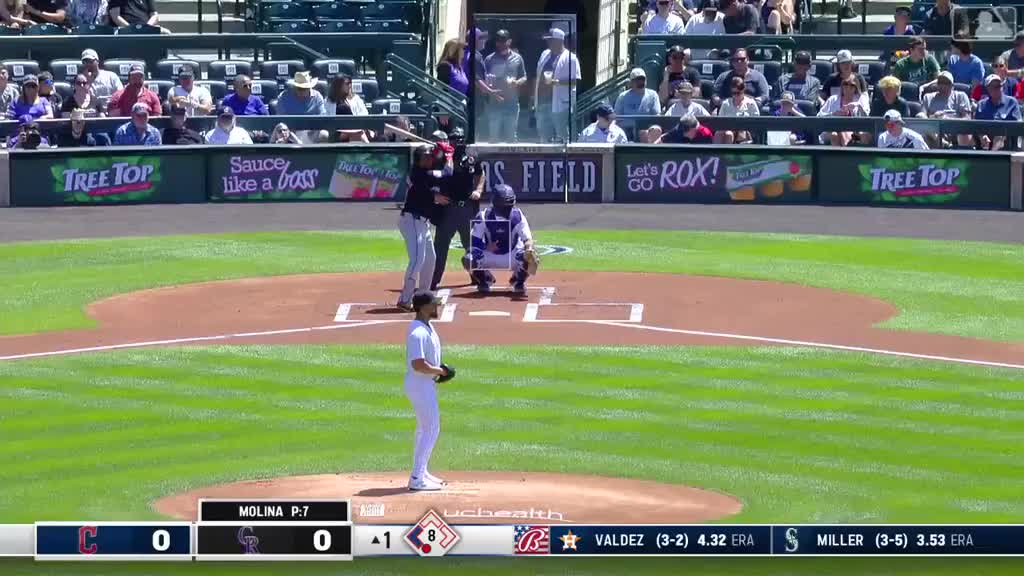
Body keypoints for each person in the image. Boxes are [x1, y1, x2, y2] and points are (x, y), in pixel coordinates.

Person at [403, 290, 452, 492]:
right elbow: (418, 364)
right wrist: (440, 370)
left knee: (424, 429)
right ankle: (416, 478)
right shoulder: (418, 333)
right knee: (431, 428)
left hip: (424, 383)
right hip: (419, 383)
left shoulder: (426, 327)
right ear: (424, 307)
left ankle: (421, 472)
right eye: (434, 304)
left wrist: (438, 370)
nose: (437, 307)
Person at [397, 144, 451, 310]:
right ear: (418, 160)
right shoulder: (419, 173)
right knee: (417, 260)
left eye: (430, 156)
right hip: (412, 221)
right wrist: (448, 155)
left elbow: (443, 175)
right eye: (426, 157)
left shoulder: (427, 172)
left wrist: (441, 151)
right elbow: (447, 173)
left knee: (430, 260)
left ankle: (424, 297)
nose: (429, 159)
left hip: (422, 222)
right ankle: (405, 299)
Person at [431, 130, 483, 291]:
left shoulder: (471, 159)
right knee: (440, 248)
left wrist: (479, 190)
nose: (457, 143)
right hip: (447, 209)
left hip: (467, 209)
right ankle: (433, 281)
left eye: (459, 140)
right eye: (453, 140)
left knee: (472, 247)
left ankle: (478, 277)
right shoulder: (440, 159)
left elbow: (481, 174)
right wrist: (436, 195)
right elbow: (430, 178)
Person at [465, 184, 537, 295]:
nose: (507, 209)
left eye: (509, 205)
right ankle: (485, 279)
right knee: (468, 258)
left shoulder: (518, 216)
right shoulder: (484, 216)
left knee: (530, 257)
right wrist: (485, 247)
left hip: (513, 254)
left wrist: (529, 249)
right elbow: (474, 241)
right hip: (490, 254)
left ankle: (518, 280)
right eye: (505, 206)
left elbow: (528, 239)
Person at [533, 27, 580, 143]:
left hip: (560, 104)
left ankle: (564, 159)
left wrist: (556, 82)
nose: (548, 42)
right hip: (542, 101)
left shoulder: (571, 58)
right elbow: (538, 76)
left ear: (559, 41)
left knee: (562, 135)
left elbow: (576, 80)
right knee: (544, 135)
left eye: (550, 40)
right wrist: (533, 97)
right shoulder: (545, 54)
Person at [483, 29, 527, 142]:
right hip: (494, 102)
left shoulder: (518, 58)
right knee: (493, 137)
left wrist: (517, 83)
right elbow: (482, 80)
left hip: (512, 102)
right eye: (498, 41)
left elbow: (524, 77)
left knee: (511, 137)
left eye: (503, 41)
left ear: (509, 41)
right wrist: (488, 82)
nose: (500, 44)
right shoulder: (489, 59)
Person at [921, 72, 973, 147]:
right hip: (934, 131)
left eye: (946, 83)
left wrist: (947, 119)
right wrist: (934, 117)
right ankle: (944, 144)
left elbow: (967, 119)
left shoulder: (961, 96)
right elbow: (922, 120)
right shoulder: (928, 97)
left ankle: (963, 156)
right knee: (920, 116)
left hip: (955, 130)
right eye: (940, 83)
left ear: (952, 85)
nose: (942, 85)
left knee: (965, 131)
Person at [818, 77, 869, 147]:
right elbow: (819, 116)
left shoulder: (861, 99)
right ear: (842, 87)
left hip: (854, 130)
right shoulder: (833, 99)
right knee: (834, 134)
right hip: (831, 129)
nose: (848, 87)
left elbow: (867, 118)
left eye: (852, 85)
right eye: (845, 84)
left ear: (856, 88)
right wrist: (834, 114)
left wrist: (859, 107)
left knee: (860, 135)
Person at [976, 74, 1020, 150]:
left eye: (998, 86)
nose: (996, 89)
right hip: (988, 137)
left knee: (999, 136)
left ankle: (992, 156)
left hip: (1007, 138)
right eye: (993, 87)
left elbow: (1018, 124)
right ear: (988, 89)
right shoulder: (981, 104)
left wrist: (1004, 133)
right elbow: (976, 126)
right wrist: (982, 136)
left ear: (1002, 87)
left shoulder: (1012, 102)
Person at [714, 76, 758, 143]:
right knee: (719, 133)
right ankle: (715, 152)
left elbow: (756, 123)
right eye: (733, 93)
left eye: (738, 93)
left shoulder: (751, 104)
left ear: (743, 90)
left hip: (744, 133)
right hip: (727, 129)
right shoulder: (726, 103)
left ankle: (728, 153)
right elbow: (721, 122)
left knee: (728, 134)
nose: (735, 96)